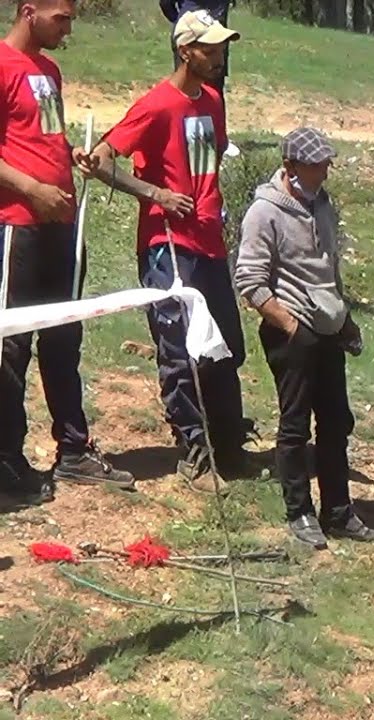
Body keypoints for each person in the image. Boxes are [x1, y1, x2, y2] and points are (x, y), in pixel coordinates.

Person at [80, 11, 248, 490]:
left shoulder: (213, 101)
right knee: (178, 350)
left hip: (210, 240)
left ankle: (227, 442)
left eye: (221, 50)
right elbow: (100, 160)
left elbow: (213, 156)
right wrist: (156, 194)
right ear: (185, 51)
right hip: (167, 244)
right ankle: (192, 451)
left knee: (225, 345)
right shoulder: (156, 104)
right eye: (210, 51)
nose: (218, 59)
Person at [0, 0, 135, 505]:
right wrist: (32, 189)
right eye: (62, 18)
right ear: (28, 11)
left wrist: (67, 159)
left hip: (62, 227)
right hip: (19, 226)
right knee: (10, 345)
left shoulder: (49, 71)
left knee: (63, 338)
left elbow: (42, 135)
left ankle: (73, 448)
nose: (69, 28)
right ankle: (7, 459)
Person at [234, 127, 374, 549]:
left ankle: (338, 511)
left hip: (328, 328)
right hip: (293, 331)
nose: (324, 172)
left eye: (326, 163)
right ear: (291, 166)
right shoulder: (265, 214)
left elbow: (328, 266)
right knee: (295, 425)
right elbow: (250, 279)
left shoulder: (322, 204)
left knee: (336, 422)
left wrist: (344, 319)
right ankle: (299, 511)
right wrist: (290, 325)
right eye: (316, 165)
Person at [159, 1, 231, 98]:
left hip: (217, 35)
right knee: (187, 87)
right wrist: (182, 25)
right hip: (193, 36)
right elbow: (166, 3)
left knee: (213, 93)